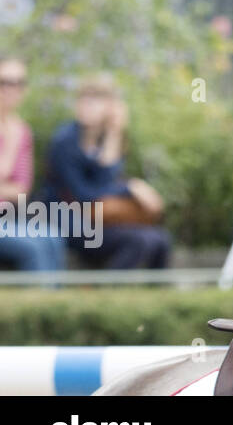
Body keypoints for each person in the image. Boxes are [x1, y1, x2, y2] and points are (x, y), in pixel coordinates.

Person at [44, 73, 170, 270]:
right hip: (67, 221)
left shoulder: (105, 140)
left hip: (98, 219)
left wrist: (114, 133)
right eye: (83, 99)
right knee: (138, 241)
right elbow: (84, 196)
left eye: (95, 100)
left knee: (160, 240)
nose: (86, 105)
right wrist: (130, 188)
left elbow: (105, 183)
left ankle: (159, 297)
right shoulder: (65, 142)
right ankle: (107, 295)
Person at [0, 56, 64, 274]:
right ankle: (35, 307)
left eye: (19, 83)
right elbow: (8, 175)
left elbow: (21, 189)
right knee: (33, 248)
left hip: (8, 217)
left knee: (53, 238)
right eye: (5, 82)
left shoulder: (22, 130)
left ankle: (56, 307)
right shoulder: (16, 134)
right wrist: (10, 145)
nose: (12, 89)